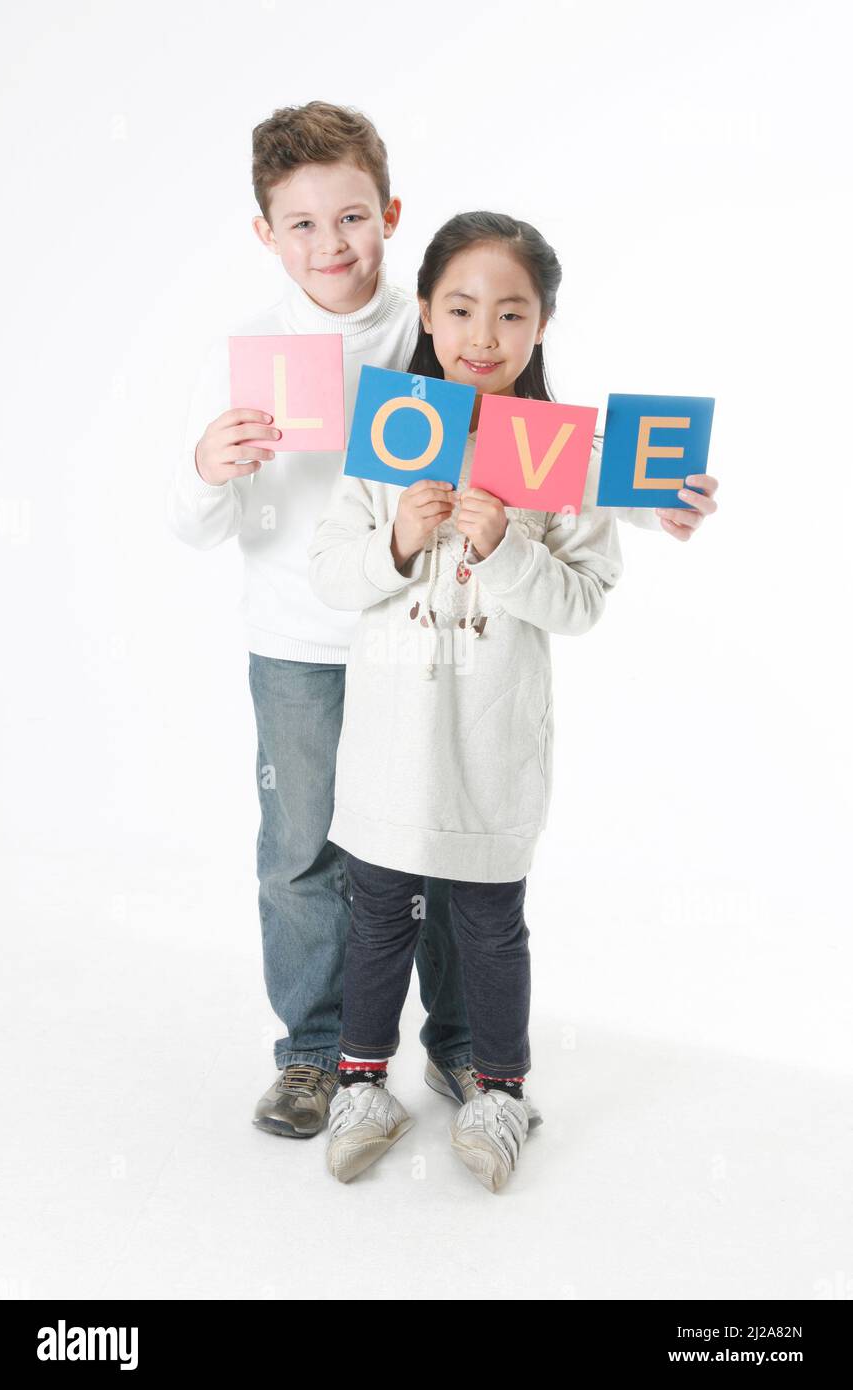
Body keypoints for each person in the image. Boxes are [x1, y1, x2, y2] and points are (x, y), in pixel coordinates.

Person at [165, 101, 477, 1138]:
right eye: (300, 224)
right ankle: (312, 1053)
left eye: (350, 217)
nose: (329, 243)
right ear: (265, 234)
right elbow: (194, 521)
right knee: (301, 852)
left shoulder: (432, 331)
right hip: (295, 646)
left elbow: (519, 445)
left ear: (388, 213)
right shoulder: (246, 349)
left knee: (433, 847)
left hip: (413, 634)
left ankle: (458, 1044)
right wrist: (208, 469)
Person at [309, 211, 628, 1192]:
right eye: (458, 308)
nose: (480, 335)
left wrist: (507, 549)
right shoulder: (385, 434)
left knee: (489, 921)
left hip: (490, 742)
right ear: (425, 312)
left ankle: (499, 1087)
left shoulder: (569, 457)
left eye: (508, 312)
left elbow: (582, 603)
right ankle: (361, 1081)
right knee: (376, 916)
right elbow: (329, 575)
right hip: (389, 742)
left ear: (540, 326)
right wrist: (397, 541)